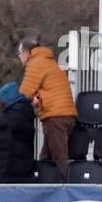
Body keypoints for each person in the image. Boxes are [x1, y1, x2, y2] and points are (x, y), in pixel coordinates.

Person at [17, 36, 78, 179]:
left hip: (56, 116)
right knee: (46, 156)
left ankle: (69, 188)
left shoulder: (35, 63)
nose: (20, 58)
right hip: (64, 114)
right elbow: (45, 89)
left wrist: (11, 103)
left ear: (26, 53)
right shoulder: (48, 61)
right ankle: (42, 183)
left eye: (19, 54)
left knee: (60, 157)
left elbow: (25, 92)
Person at [0, 80, 37, 183]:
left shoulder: (15, 114)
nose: (1, 104)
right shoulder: (24, 109)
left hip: (16, 166)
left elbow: (0, 127)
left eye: (2, 101)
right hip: (23, 162)